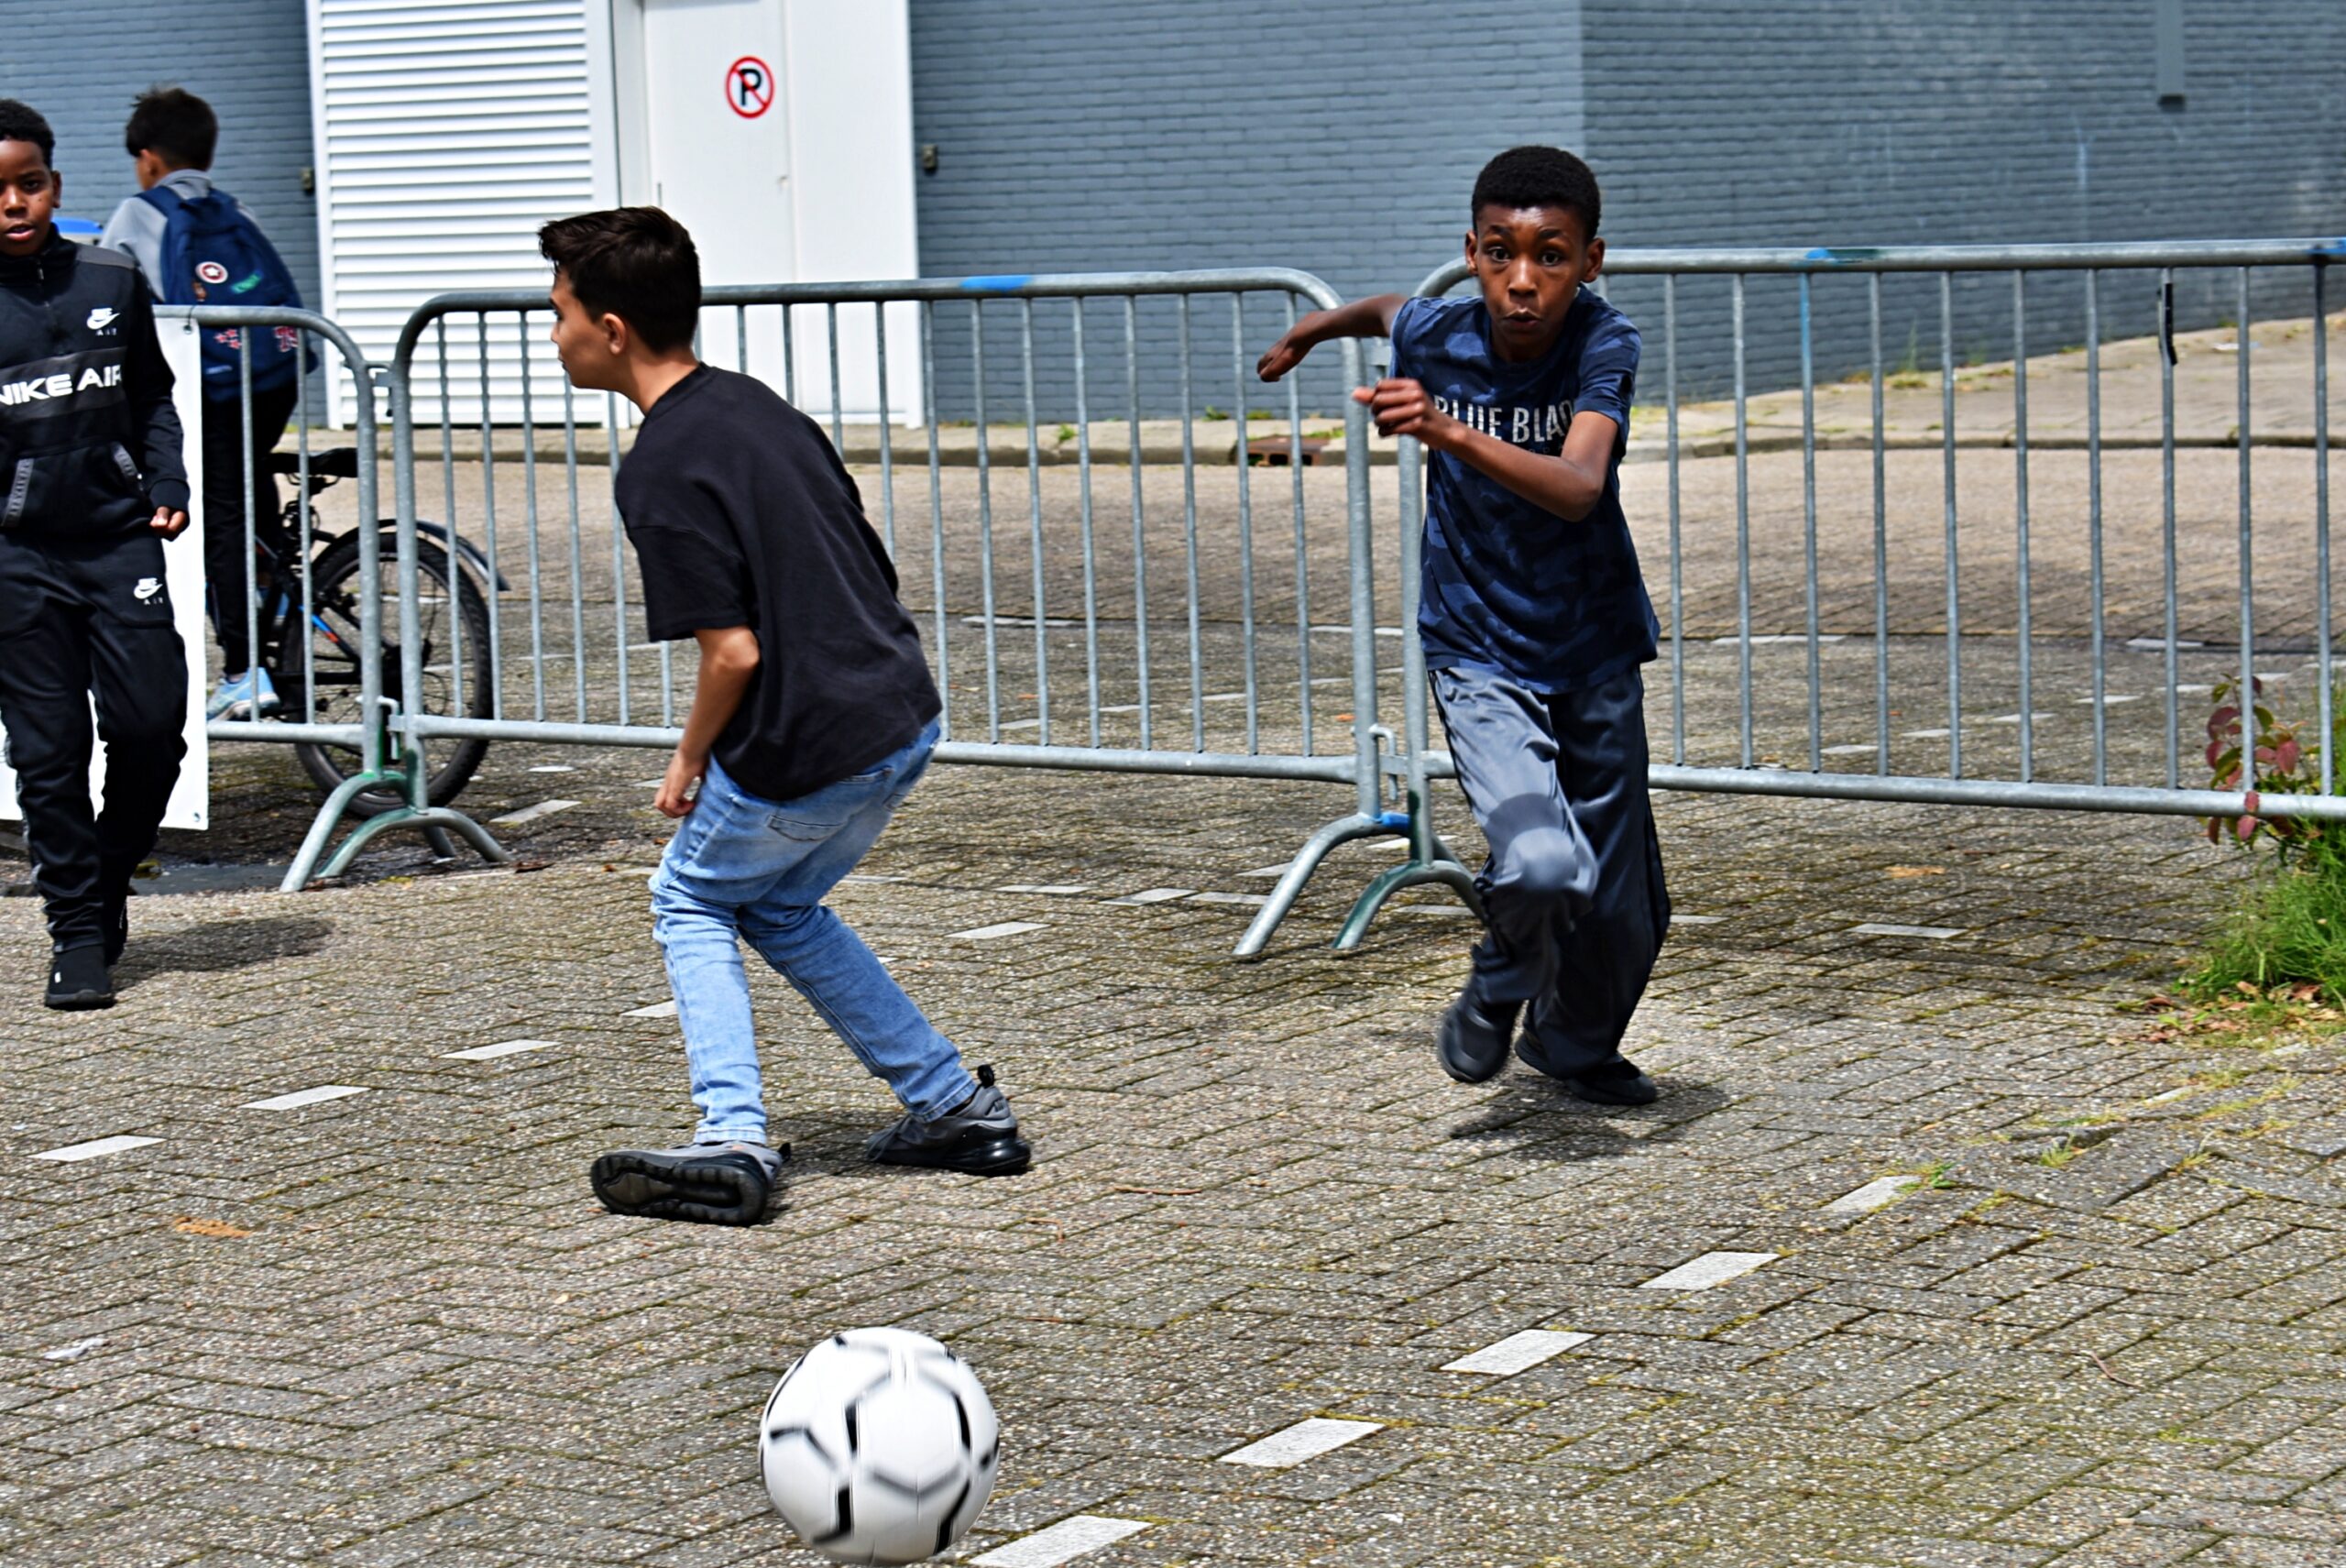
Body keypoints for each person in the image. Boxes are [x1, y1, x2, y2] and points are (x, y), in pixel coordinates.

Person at [537, 207, 1031, 1226]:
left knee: (688, 899)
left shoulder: (660, 465)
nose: (556, 335)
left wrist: (686, 761)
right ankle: (952, 1105)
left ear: (613, 328)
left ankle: (731, 1135)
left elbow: (734, 652)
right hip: (898, 712)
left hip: (806, 742)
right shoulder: (758, 408)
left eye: (561, 313)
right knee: (775, 904)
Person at [1257, 145, 1669, 1105]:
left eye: (1550, 256)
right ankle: (1500, 976)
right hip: (1479, 648)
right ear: (1472, 251)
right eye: (1498, 252)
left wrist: (1443, 428)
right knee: (1538, 862)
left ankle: (1570, 1047)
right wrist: (1312, 332)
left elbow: (1576, 487)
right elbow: (1386, 311)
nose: (1522, 281)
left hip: (1594, 644)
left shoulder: (1603, 345)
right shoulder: (1437, 332)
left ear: (1590, 261)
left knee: (1621, 902)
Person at [0, 100, 192, 1009]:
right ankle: (76, 932)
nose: (13, 203)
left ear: (55, 187)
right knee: (51, 753)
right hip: (16, 559)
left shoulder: (111, 277)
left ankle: (110, 878)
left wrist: (167, 482)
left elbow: (152, 395)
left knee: (152, 729)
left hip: (121, 544)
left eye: (28, 184)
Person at [100, 86, 303, 721]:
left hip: (207, 386)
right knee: (247, 480)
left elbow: (104, 301)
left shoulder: (139, 214)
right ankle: (276, 597)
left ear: (148, 157)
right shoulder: (234, 208)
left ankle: (244, 670)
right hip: (272, 380)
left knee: (217, 515)